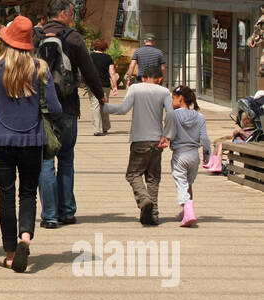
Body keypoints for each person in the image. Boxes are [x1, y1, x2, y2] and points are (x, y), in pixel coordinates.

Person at [0, 16, 63, 272]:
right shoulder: (40, 68)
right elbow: (56, 108)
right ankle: (25, 236)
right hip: (32, 140)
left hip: (1, 141)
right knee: (27, 193)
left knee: (6, 196)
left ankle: (11, 254)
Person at [36, 0, 106, 227]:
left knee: (45, 161)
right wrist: (99, 94)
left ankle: (49, 216)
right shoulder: (73, 38)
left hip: (41, 108)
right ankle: (66, 211)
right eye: (71, 14)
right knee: (65, 158)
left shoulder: (35, 36)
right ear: (64, 14)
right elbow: (89, 69)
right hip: (67, 106)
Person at [106, 68, 174, 224]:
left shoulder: (135, 88)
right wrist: (167, 135)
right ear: (159, 78)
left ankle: (144, 200)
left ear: (143, 78)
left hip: (139, 140)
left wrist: (106, 107)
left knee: (133, 174)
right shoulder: (164, 92)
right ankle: (153, 215)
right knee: (153, 178)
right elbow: (170, 114)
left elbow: (123, 109)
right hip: (157, 140)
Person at [169, 85, 211, 226]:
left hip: (180, 154)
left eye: (173, 98)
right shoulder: (200, 116)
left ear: (180, 98)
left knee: (181, 183)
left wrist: (166, 140)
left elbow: (171, 133)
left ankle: (188, 211)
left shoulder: (174, 115)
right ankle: (186, 212)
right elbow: (204, 138)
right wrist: (207, 154)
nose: (171, 101)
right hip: (194, 155)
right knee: (188, 183)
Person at [89, 38, 119, 135]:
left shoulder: (90, 56)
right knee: (104, 105)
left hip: (93, 84)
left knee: (95, 105)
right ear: (105, 48)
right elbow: (112, 72)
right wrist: (115, 86)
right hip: (105, 84)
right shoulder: (108, 57)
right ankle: (105, 126)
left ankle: (97, 129)